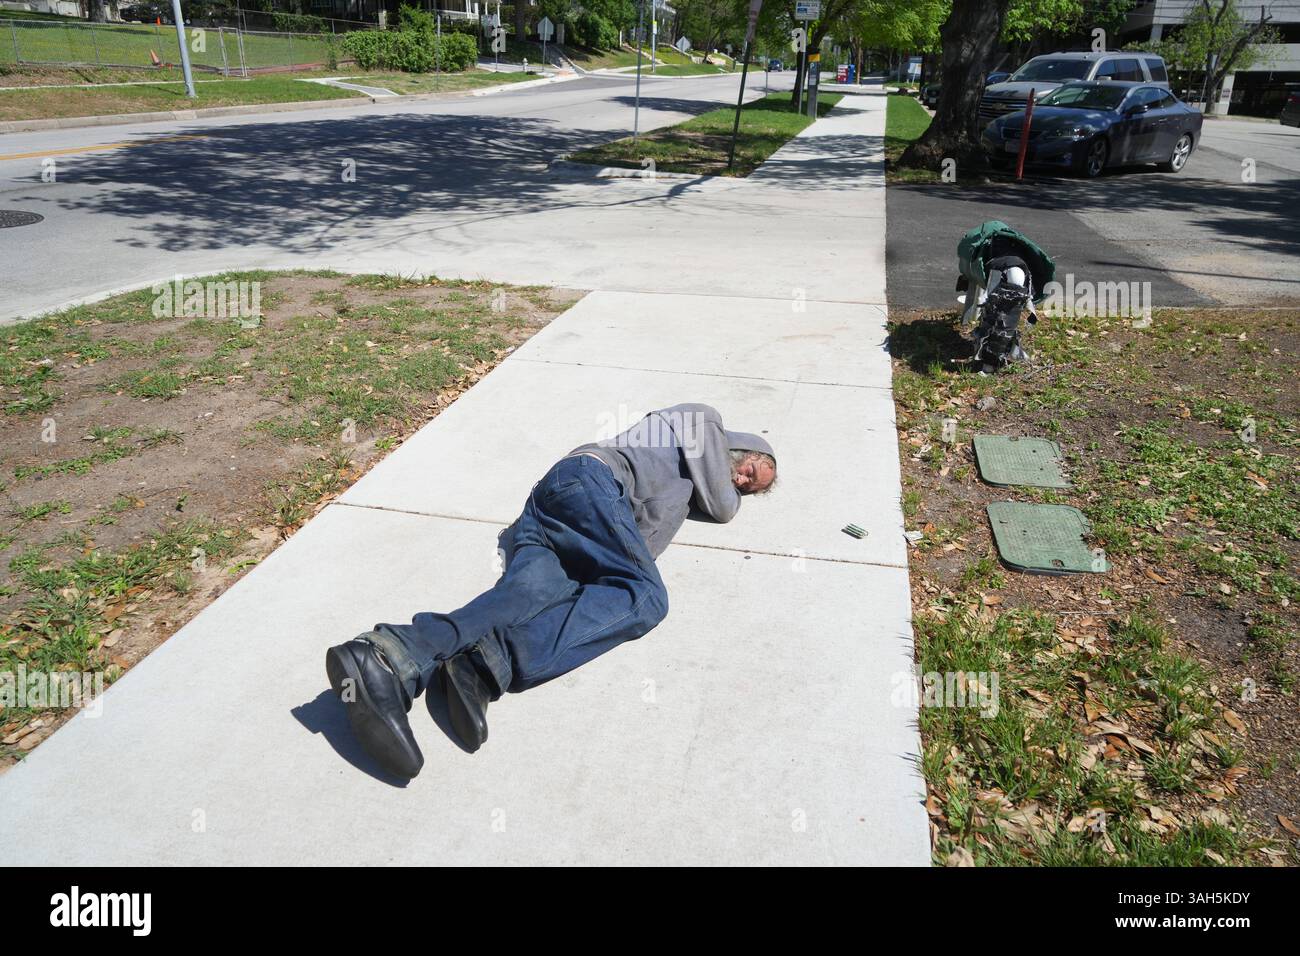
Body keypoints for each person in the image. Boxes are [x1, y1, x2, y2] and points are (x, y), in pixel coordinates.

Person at [325, 403, 777, 778]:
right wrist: (730, 498)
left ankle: (391, 657)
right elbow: (722, 507)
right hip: (588, 483)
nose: (740, 485)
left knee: (524, 597)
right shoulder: (703, 423)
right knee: (647, 597)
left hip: (556, 514)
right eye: (751, 472)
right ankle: (494, 658)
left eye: (750, 490)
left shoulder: (681, 492)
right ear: (745, 447)